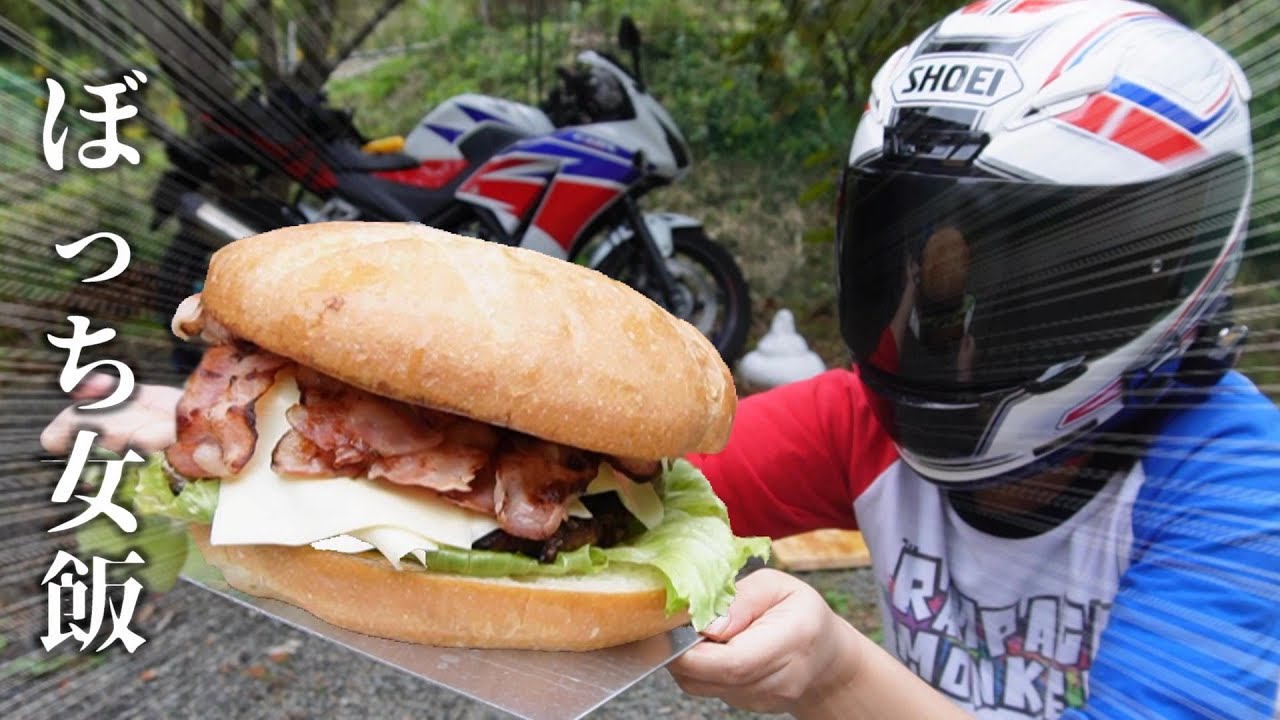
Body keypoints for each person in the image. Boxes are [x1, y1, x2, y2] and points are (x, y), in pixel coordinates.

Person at [40, 1, 1280, 718]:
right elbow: (587, 507)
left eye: (1011, 287)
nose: (932, 323)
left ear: (1168, 275)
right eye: (910, 262)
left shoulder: (1238, 498)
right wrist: (272, 433)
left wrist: (838, 677)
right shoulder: (866, 421)